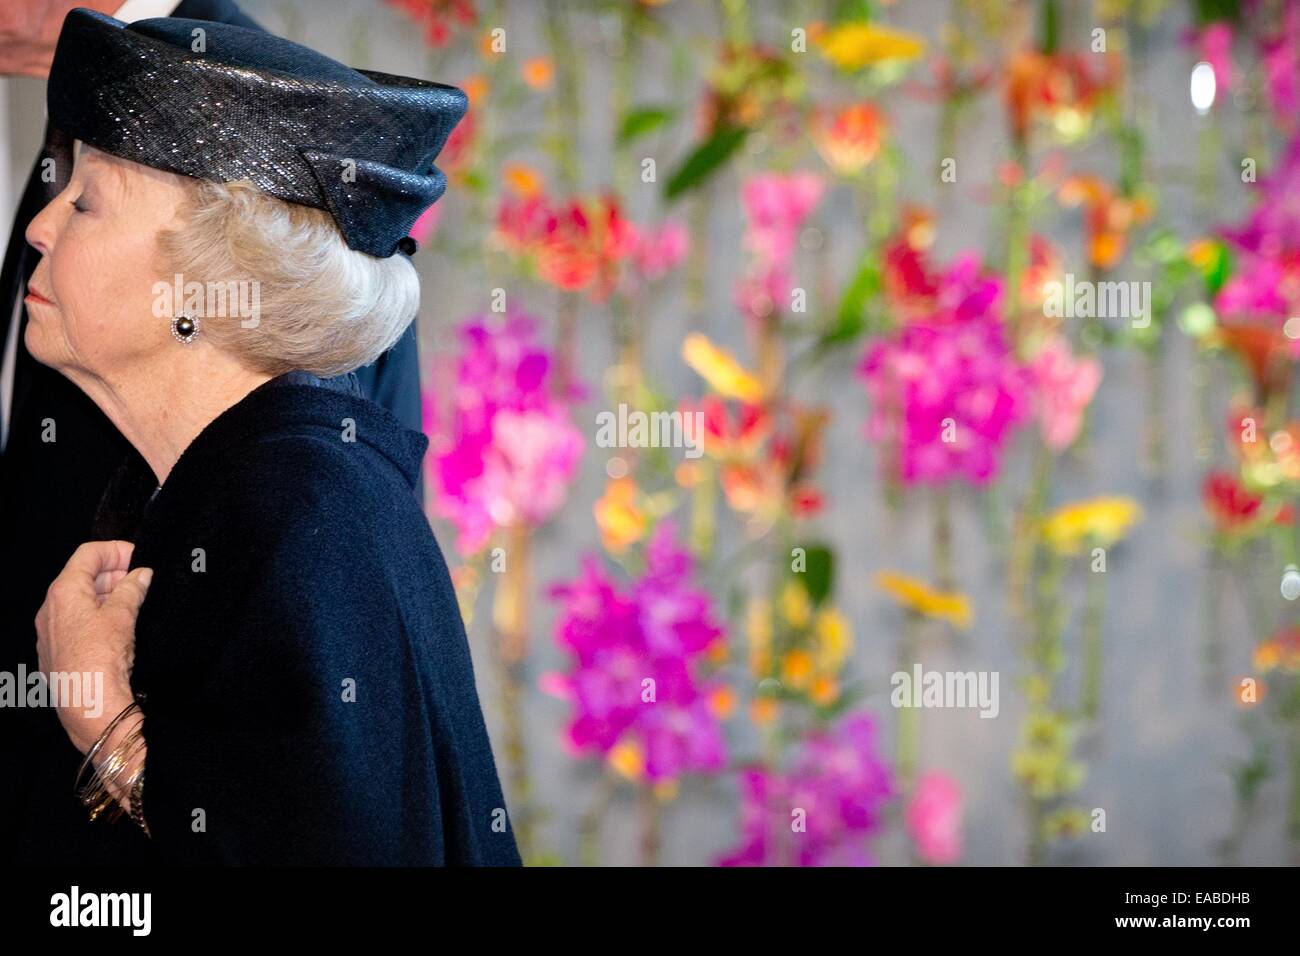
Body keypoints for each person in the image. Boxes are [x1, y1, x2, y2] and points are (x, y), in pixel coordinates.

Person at [16, 7, 520, 865]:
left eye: (87, 202)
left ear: (202, 284)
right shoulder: (235, 485)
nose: (39, 227)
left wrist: (105, 722)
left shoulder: (304, 515)